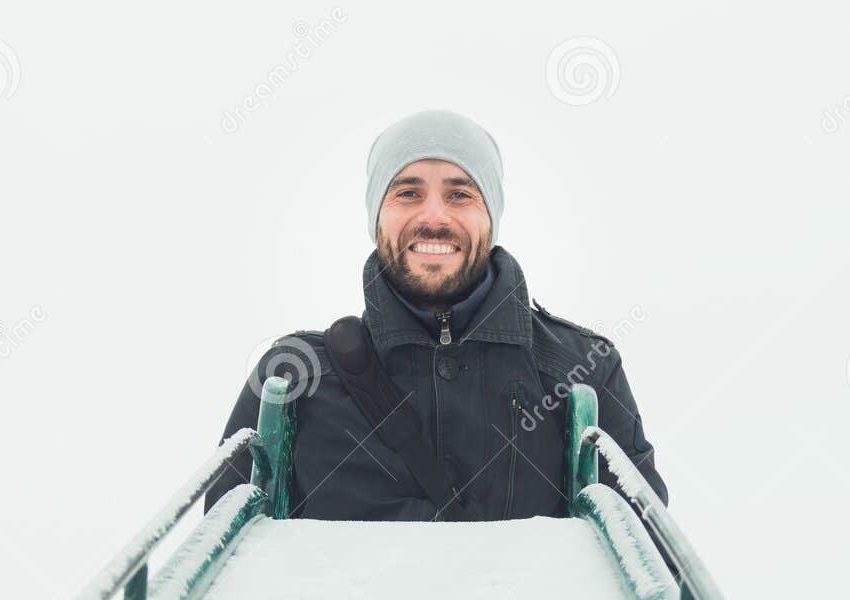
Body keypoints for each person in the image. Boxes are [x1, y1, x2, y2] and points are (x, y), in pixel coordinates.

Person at [206, 109, 666, 521]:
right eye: (407, 192)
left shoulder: (581, 369)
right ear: (377, 216)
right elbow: (226, 572)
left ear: (491, 215)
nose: (434, 216)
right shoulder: (295, 375)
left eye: (460, 194)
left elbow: (645, 567)